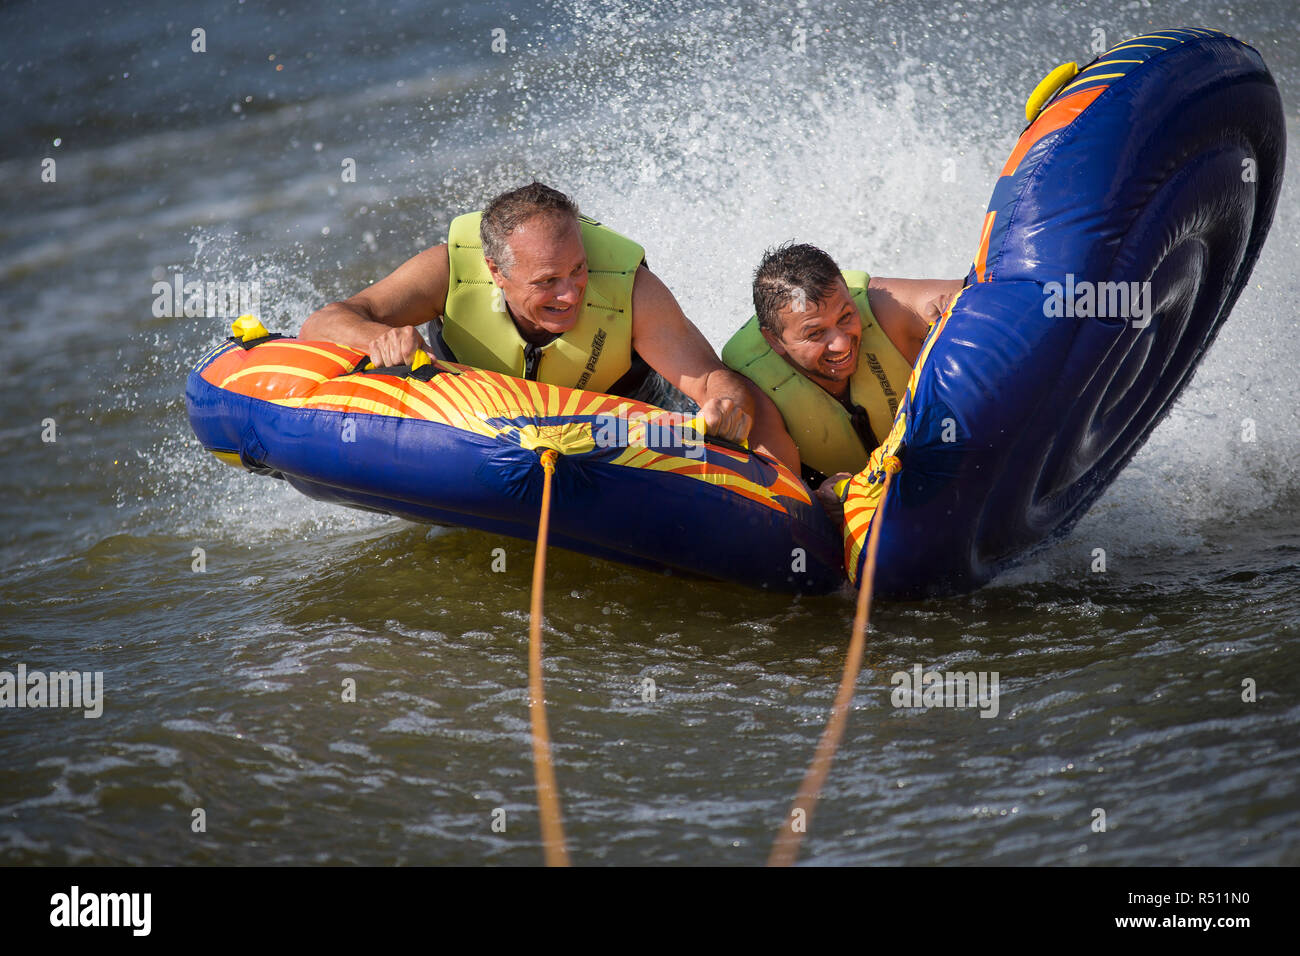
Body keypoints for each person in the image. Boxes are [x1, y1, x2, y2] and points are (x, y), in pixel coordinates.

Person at [299, 181, 797, 469]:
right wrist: (380, 337)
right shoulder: (448, 269)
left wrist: (724, 405)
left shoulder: (632, 289)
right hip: (475, 418)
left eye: (577, 269)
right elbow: (325, 320)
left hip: (620, 422)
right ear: (496, 271)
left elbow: (711, 376)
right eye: (547, 280)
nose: (570, 292)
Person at [721, 242, 963, 516]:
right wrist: (820, 499)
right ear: (774, 340)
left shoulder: (886, 307)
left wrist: (960, 314)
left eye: (846, 316)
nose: (840, 343)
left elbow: (991, 294)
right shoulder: (756, 383)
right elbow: (782, 500)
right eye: (815, 334)